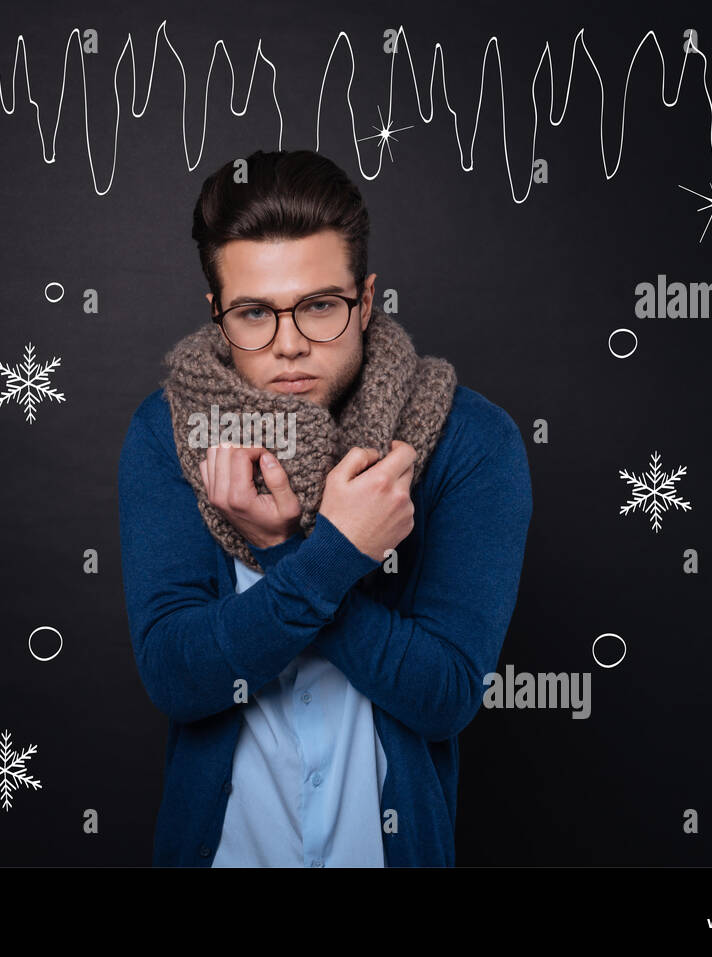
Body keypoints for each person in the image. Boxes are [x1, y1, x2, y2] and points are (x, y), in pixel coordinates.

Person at [117, 148, 533, 867]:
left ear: (366, 300)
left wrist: (284, 552)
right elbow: (177, 678)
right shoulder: (169, 433)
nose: (288, 345)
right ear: (217, 316)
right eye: (254, 313)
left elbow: (444, 695)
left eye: (319, 307)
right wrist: (335, 554)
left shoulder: (469, 441)